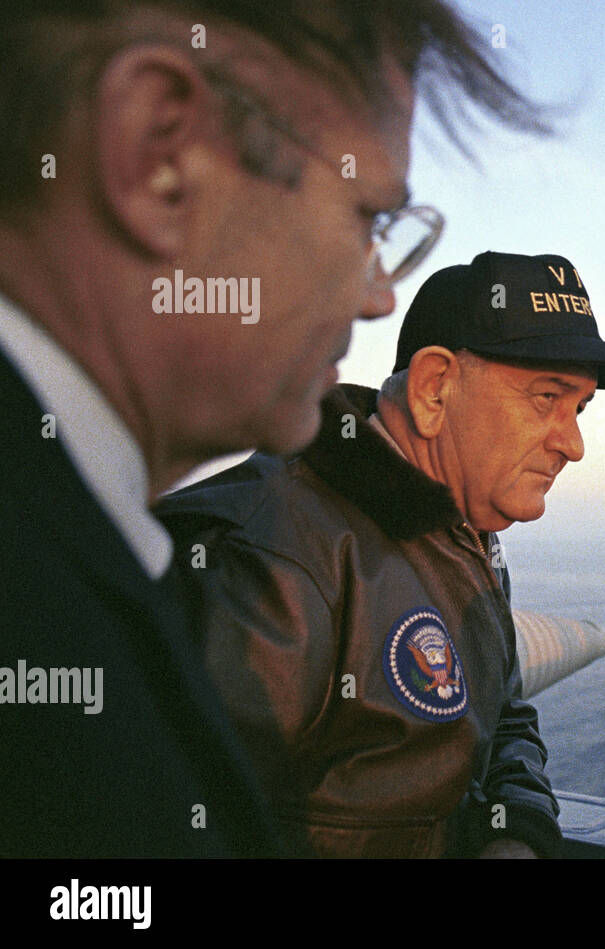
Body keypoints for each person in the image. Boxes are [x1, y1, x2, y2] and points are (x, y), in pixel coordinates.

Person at [0, 1, 547, 857]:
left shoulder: (75, 550)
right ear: (160, 158)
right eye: (368, 216)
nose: (377, 297)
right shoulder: (48, 596)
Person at [158, 251, 605, 858]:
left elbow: (502, 709)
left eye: (579, 409)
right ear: (433, 389)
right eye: (546, 398)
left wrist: (514, 833)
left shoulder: (464, 533)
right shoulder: (266, 559)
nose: (574, 444)